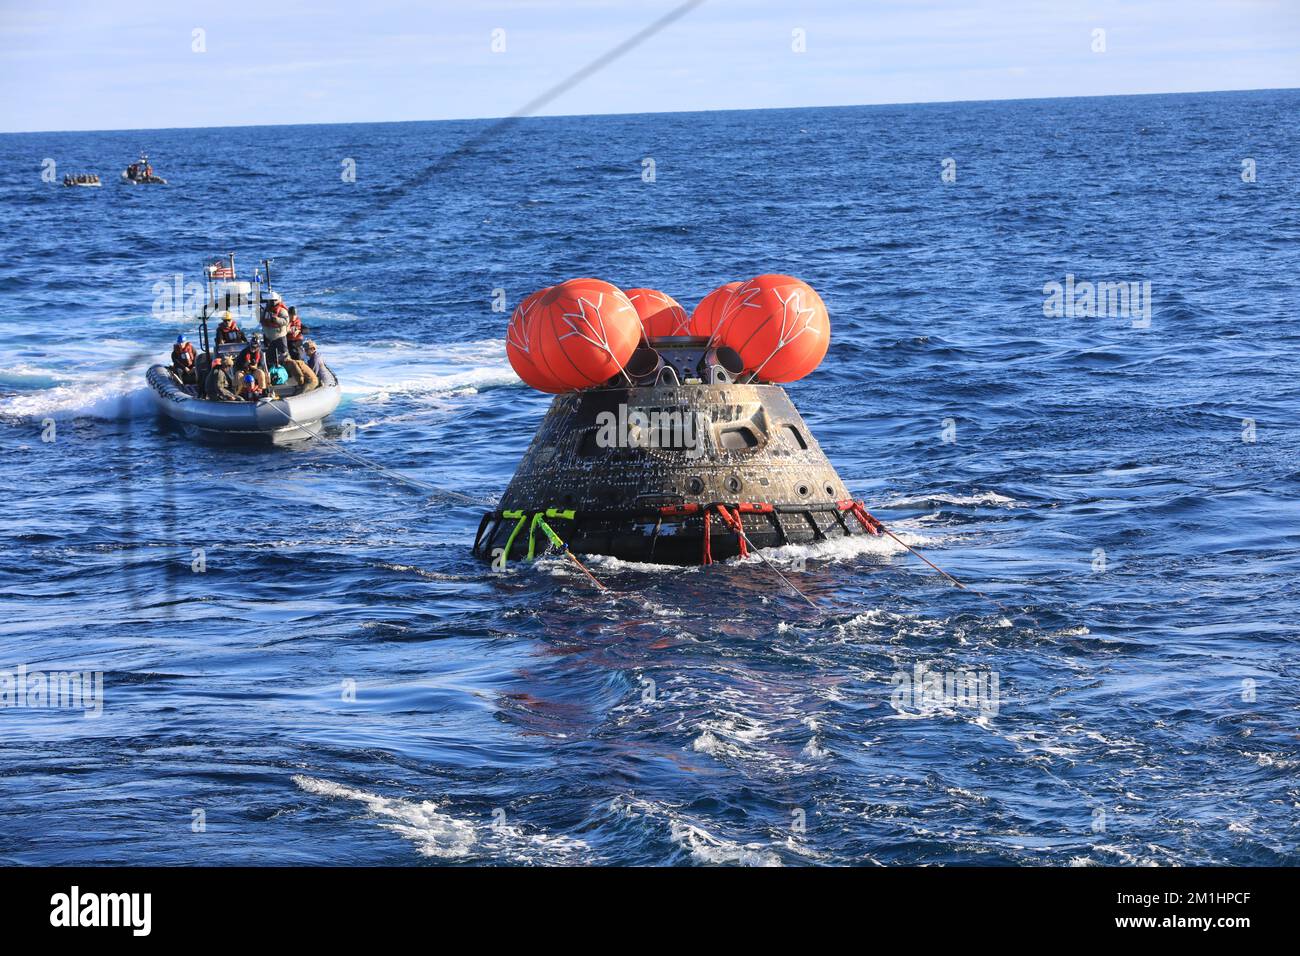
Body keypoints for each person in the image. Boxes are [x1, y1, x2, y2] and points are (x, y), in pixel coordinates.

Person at [260, 292, 290, 366]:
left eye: (274, 300)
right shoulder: (266, 309)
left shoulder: (282, 310)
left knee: (284, 355)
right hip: (268, 337)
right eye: (271, 300)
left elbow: (286, 321)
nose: (273, 302)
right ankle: (272, 368)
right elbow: (261, 319)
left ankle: (287, 369)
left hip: (279, 336)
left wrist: (277, 319)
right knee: (270, 356)